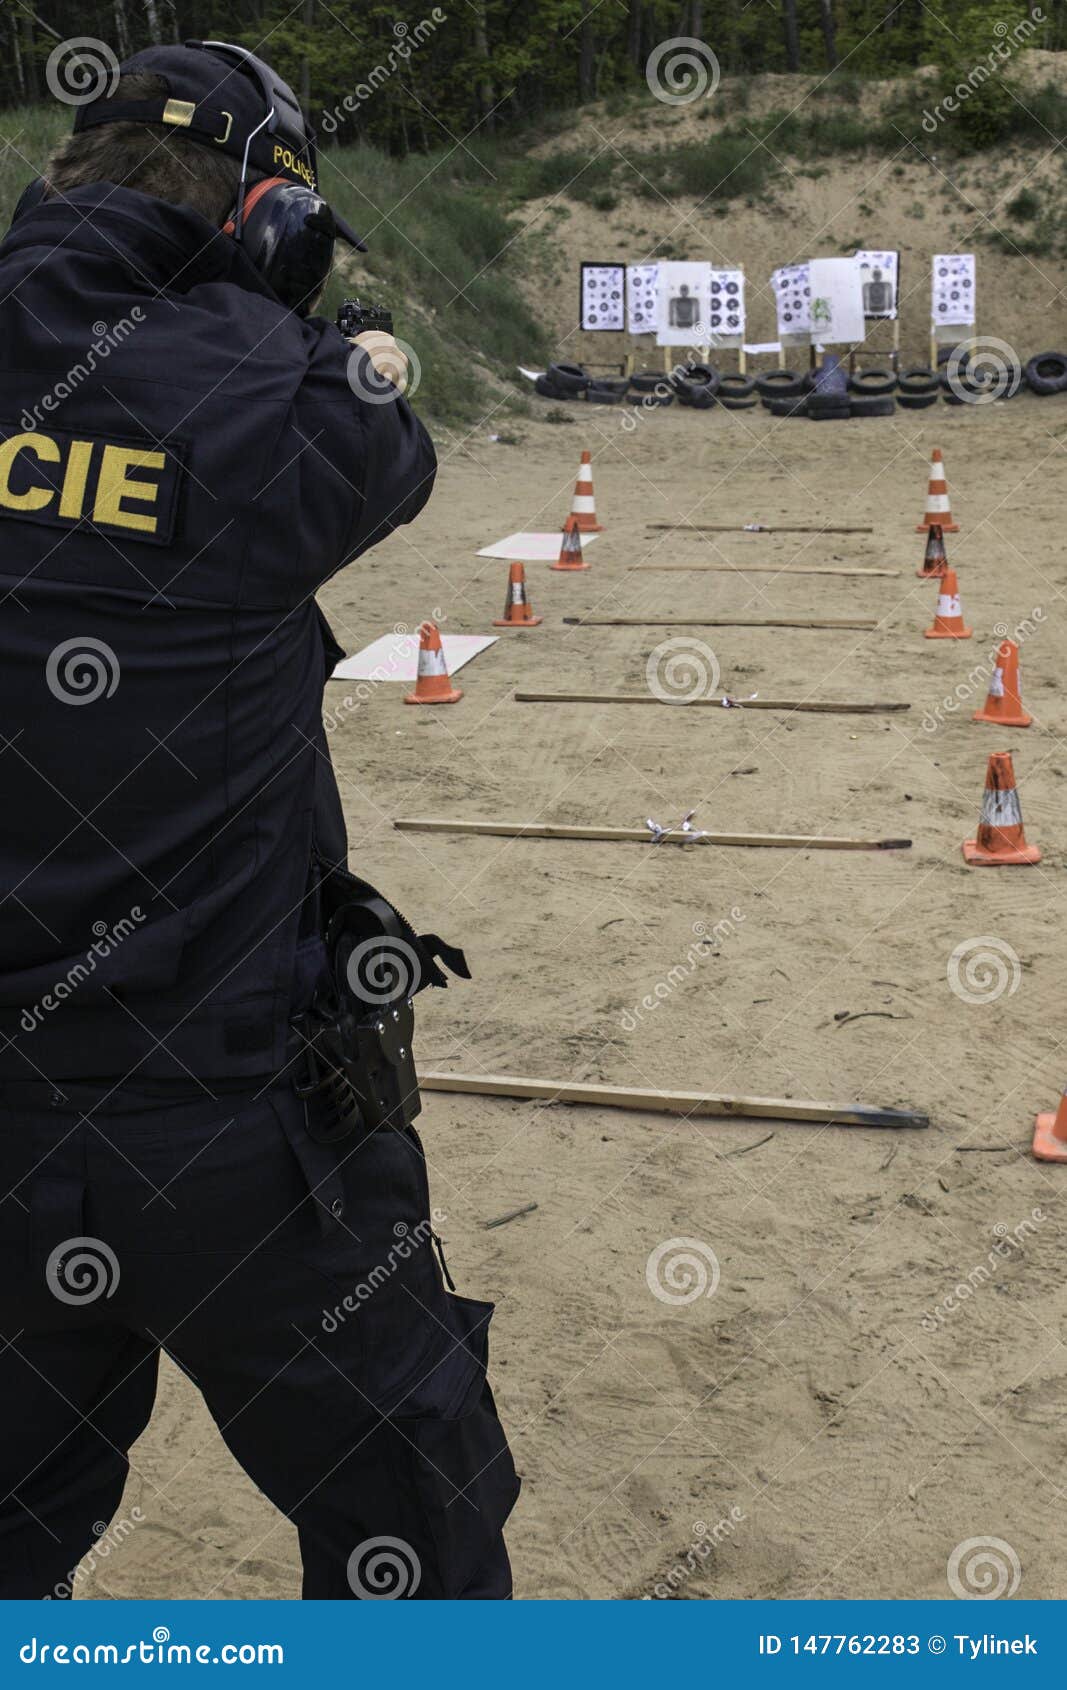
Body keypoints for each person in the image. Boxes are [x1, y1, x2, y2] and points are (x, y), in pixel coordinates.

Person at [0, 40, 518, 1600]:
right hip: (233, 1126)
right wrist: (295, 307)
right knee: (408, 1533)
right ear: (271, 215)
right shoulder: (276, 388)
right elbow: (392, 438)